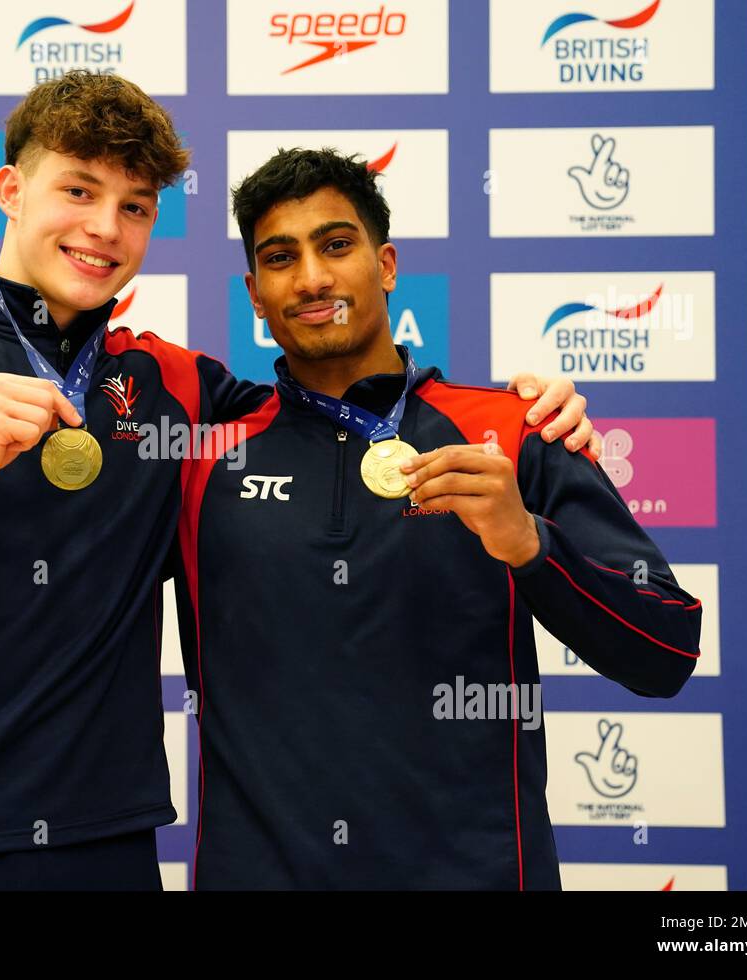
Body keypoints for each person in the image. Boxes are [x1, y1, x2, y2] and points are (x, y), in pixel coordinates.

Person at [0, 72, 593, 891]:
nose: (104, 228)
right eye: (77, 192)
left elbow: (329, 407)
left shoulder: (171, 389)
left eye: (134, 207)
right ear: (10, 189)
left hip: (106, 844)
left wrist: (532, 405)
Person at [166, 148, 700, 889]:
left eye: (337, 244)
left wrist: (530, 547)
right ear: (255, 294)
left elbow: (666, 650)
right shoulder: (198, 457)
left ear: (386, 265)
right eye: (281, 258)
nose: (314, 277)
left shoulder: (515, 432)